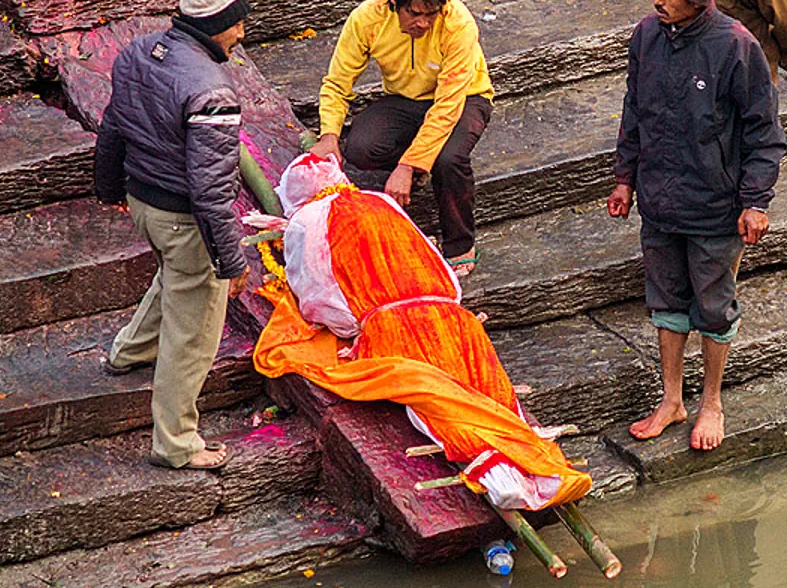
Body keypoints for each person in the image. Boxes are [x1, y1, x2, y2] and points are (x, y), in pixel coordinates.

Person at [251, 153, 590, 510]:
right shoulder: (379, 200)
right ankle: (543, 469)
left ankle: (501, 480)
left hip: (393, 325)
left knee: (437, 402)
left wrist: (352, 328)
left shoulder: (307, 219)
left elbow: (319, 297)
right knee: (494, 396)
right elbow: (434, 260)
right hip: (451, 313)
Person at [607, 0, 786, 451]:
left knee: (712, 305)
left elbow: (764, 133)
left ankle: (711, 402)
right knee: (666, 300)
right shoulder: (647, 37)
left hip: (714, 206)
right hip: (661, 201)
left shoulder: (735, 47)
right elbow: (634, 109)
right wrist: (625, 178)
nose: (658, 0)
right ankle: (671, 399)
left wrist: (756, 201)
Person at [93, 0, 252, 470]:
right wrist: (232, 262)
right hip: (184, 218)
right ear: (215, 26)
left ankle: (129, 351)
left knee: (174, 280)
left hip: (144, 203)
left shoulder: (140, 52)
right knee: (194, 331)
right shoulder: (212, 91)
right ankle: (176, 443)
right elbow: (211, 190)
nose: (242, 34)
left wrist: (109, 190)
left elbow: (113, 127)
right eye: (236, 25)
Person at [308, 0, 494, 277]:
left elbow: (447, 106)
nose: (422, 22)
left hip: (465, 97)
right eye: (414, 13)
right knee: (359, 148)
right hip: (405, 99)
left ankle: (460, 244)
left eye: (431, 14)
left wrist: (408, 165)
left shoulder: (459, 24)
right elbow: (337, 83)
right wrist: (328, 135)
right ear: (395, 1)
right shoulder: (366, 19)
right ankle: (420, 166)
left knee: (449, 159)